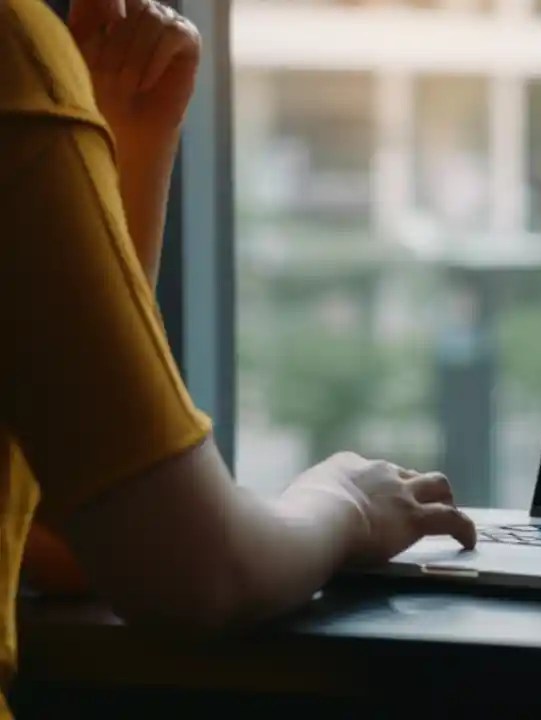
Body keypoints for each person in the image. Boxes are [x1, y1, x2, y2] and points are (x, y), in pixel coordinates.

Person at [0, 0, 476, 712]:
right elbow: (197, 571)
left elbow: (64, 530)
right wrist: (344, 502)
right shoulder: (13, 62)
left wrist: (127, 140)